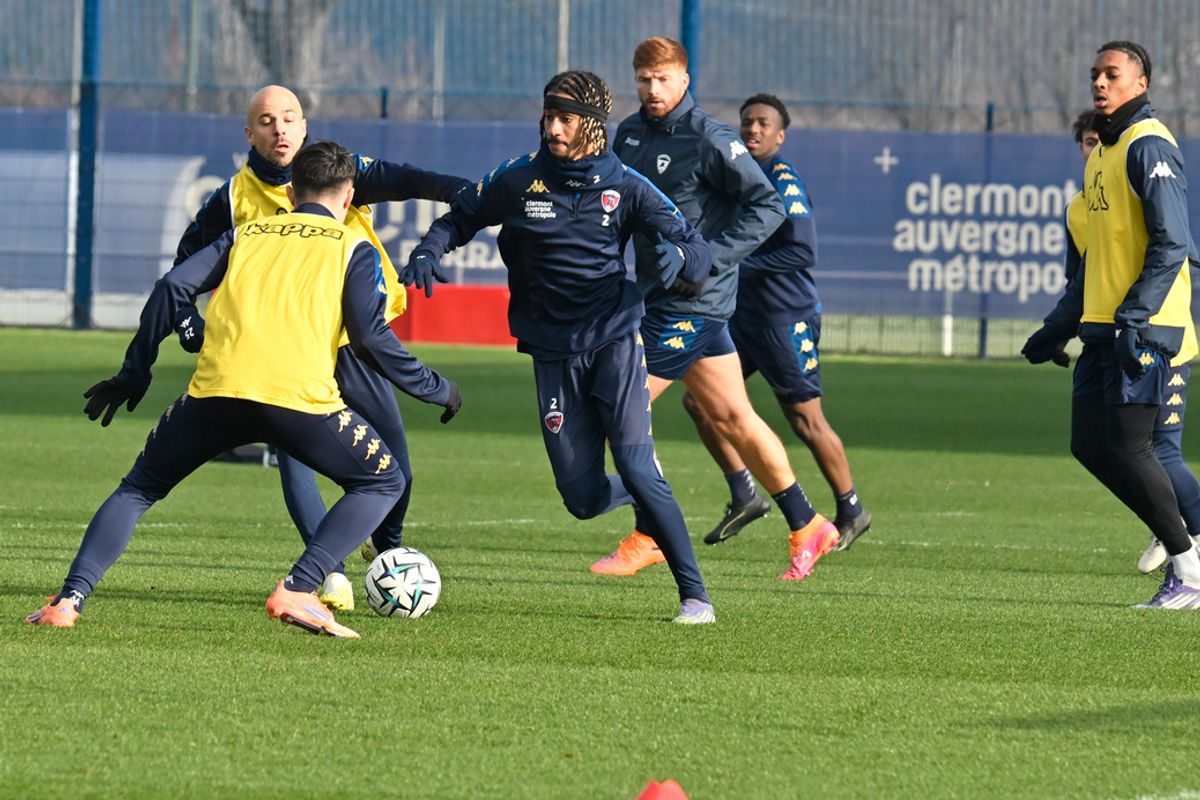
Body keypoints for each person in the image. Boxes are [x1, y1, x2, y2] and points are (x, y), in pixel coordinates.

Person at [26, 141, 462, 637]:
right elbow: (369, 337)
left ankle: (68, 601)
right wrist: (435, 387)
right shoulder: (353, 247)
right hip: (299, 403)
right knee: (384, 481)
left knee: (138, 489)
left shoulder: (245, 234)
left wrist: (135, 371)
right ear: (349, 198)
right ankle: (301, 586)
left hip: (214, 395)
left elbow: (171, 287)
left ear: (291, 193)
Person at [401, 70, 717, 623]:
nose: (552, 128)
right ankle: (644, 490)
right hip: (551, 350)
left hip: (615, 338)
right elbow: (460, 217)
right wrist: (430, 250)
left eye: (565, 119)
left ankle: (696, 597)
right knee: (582, 500)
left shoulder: (627, 185)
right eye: (548, 116)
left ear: (592, 126)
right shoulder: (518, 178)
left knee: (636, 463)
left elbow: (697, 248)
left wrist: (683, 259)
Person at [170, 85, 471, 611]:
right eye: (267, 121)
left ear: (305, 126)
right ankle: (327, 575)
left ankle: (387, 553)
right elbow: (184, 266)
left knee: (397, 470)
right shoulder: (232, 198)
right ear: (250, 134)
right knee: (295, 463)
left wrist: (470, 195)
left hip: (352, 343)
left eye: (289, 118)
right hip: (283, 349)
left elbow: (410, 179)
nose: (280, 129)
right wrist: (186, 321)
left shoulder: (338, 171)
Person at [594, 36, 838, 581]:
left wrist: (708, 257)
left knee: (617, 405)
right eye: (644, 79)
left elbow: (768, 207)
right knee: (734, 417)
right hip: (657, 298)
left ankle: (650, 532)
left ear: (684, 79)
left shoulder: (710, 137)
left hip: (693, 304)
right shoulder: (629, 134)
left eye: (663, 79)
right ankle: (808, 524)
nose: (652, 89)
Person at [1021, 42, 1200, 609]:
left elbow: (1173, 243)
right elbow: (1092, 266)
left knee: (1135, 447)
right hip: (1102, 327)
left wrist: (1135, 316)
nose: (1100, 82)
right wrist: (1056, 329)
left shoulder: (1149, 145)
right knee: (1090, 445)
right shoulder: (1102, 154)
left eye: (1112, 74)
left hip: (1144, 329)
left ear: (1140, 84)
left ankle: (1189, 568)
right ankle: (1185, 553)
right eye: (1095, 73)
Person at [681, 93, 871, 550]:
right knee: (700, 402)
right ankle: (744, 494)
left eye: (763, 123)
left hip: (784, 319)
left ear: (780, 135)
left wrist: (733, 263)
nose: (753, 129)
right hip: (741, 318)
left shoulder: (783, 179)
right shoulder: (738, 174)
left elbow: (802, 250)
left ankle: (851, 510)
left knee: (805, 420)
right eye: (747, 121)